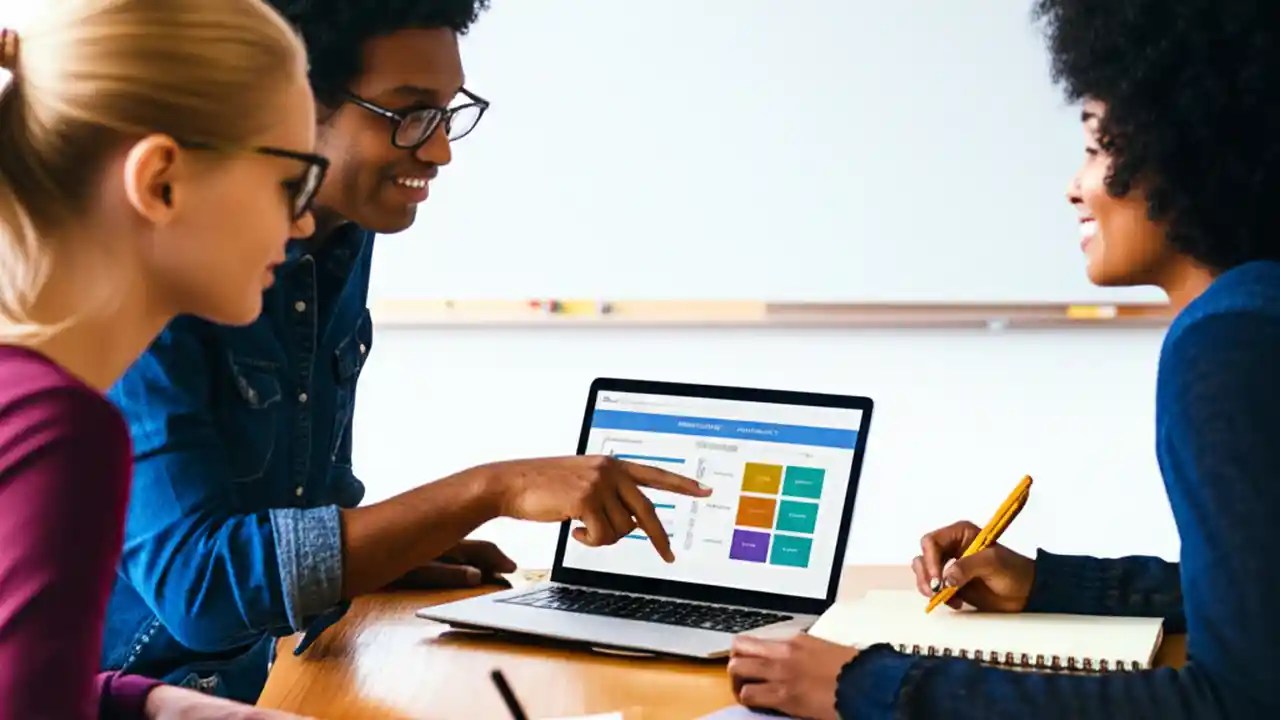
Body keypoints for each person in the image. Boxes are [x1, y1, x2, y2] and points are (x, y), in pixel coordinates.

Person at [101, 0, 711, 702]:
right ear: (288, 102)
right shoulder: (153, 271)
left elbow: (300, 500)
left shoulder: (343, 233)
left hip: (242, 687)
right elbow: (201, 590)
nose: (442, 148)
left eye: (450, 112)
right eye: (409, 114)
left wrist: (387, 549)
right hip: (132, 696)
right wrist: (491, 490)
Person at [727, 0, 1280, 718]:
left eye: (1094, 143)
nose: (1073, 185)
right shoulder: (1259, 311)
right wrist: (1055, 587)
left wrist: (868, 687)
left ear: (1178, 142)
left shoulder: (1226, 347)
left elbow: (1241, 701)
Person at [0, 0, 330, 716]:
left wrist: (156, 706)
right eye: (291, 181)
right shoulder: (61, 430)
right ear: (160, 182)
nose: (304, 220)